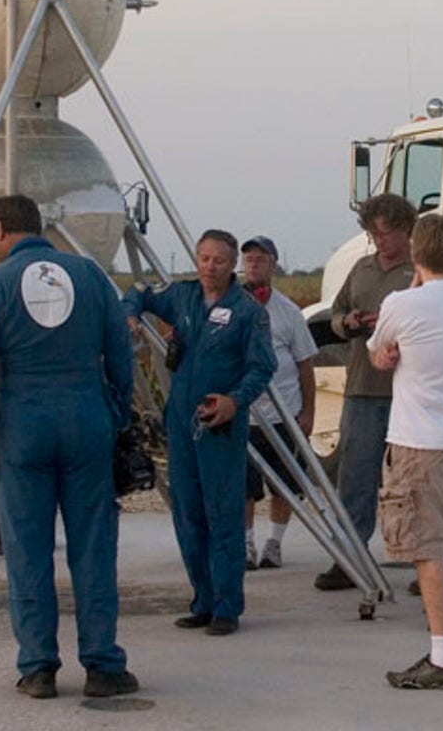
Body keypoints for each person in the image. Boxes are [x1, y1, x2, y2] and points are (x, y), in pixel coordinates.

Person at [0, 194, 139, 701]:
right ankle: (103, 664)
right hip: (87, 422)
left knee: (27, 550)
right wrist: (116, 416)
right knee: (94, 548)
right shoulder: (88, 277)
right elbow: (120, 355)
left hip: (23, 427)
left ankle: (38, 667)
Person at [124, 230, 275, 636]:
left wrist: (234, 401)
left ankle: (227, 606)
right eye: (204, 258)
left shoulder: (247, 312)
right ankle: (202, 600)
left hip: (220, 424)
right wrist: (131, 313)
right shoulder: (182, 297)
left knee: (223, 515)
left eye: (219, 261)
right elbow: (138, 290)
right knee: (188, 514)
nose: (210, 267)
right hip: (181, 421)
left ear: (232, 266)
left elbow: (262, 368)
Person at [368, 214, 443, 689]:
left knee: (426, 551)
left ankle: (440, 656)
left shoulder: (402, 302)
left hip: (421, 441)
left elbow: (381, 353)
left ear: (416, 253)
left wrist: (416, 282)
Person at [315, 192, 417, 592]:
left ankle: (420, 560)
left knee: (411, 481)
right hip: (361, 387)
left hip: (406, 392)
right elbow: (335, 315)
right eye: (374, 235)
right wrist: (350, 322)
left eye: (387, 233)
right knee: (355, 478)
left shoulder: (419, 272)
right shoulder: (360, 269)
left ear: (408, 230)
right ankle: (349, 557)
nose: (380, 242)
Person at [238, 236, 318, 570]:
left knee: (284, 485)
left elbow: (305, 365)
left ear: (273, 264)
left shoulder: (288, 313)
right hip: (242, 412)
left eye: (261, 258)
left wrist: (308, 411)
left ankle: (274, 543)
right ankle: (246, 545)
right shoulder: (229, 306)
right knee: (243, 487)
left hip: (282, 412)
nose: (254, 264)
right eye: (249, 258)